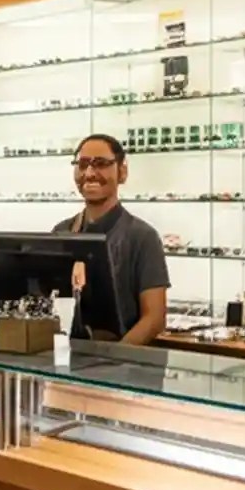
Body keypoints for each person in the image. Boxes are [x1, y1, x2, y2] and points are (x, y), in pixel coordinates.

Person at [52, 133, 170, 345]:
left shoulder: (143, 237)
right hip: (66, 361)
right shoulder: (62, 232)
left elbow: (154, 319)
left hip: (123, 369)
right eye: (83, 164)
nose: (89, 173)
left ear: (122, 172)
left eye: (101, 164)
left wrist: (115, 359)